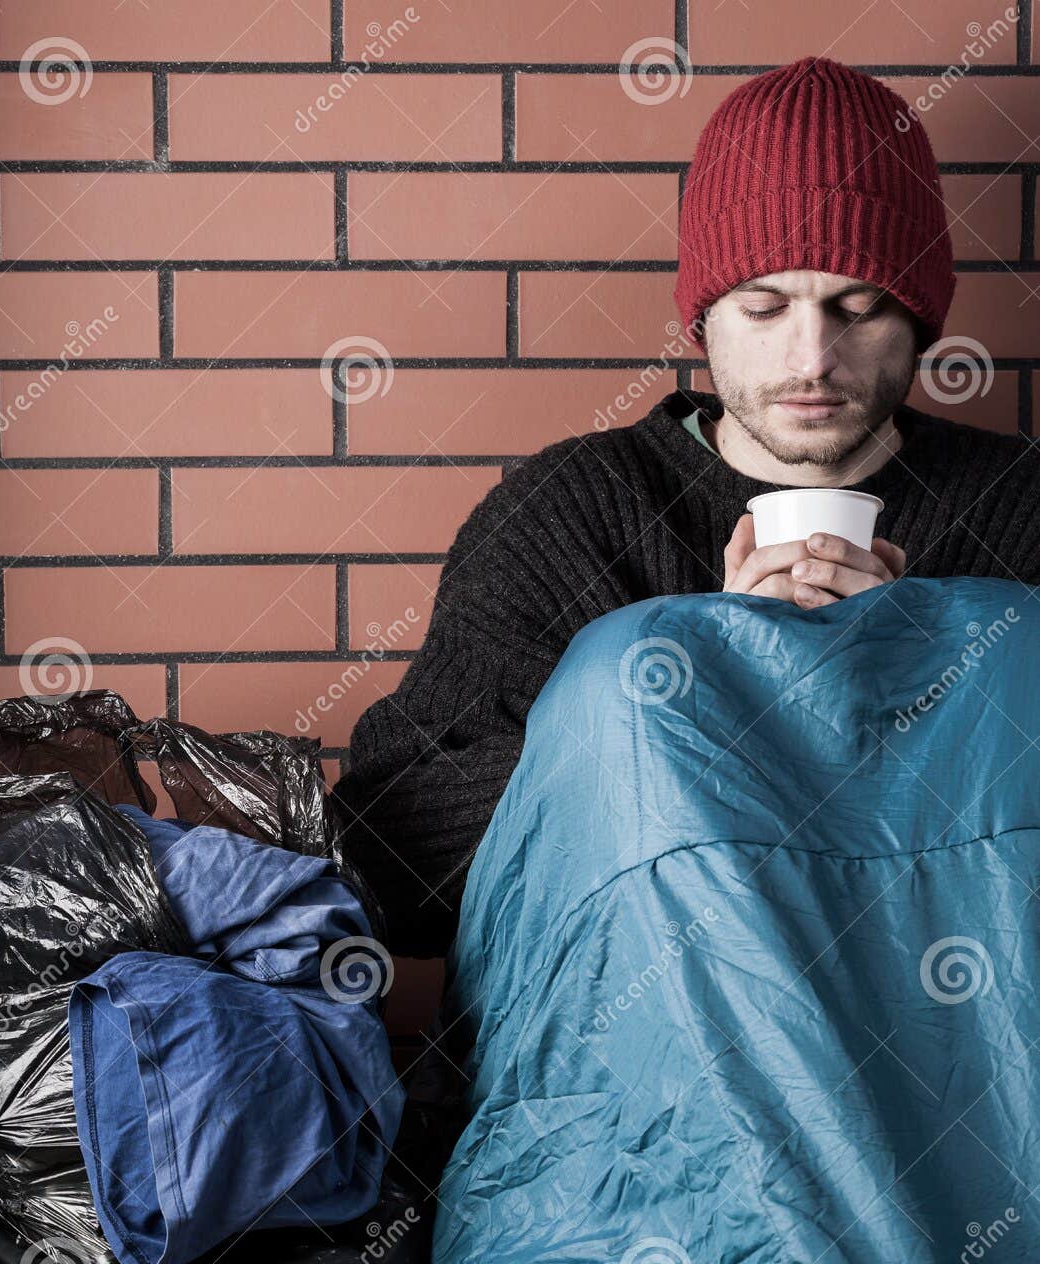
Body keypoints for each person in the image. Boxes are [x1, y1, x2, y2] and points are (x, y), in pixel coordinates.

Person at [333, 54, 1036, 960]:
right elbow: (393, 872)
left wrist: (930, 680)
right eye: (764, 307)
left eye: (857, 308)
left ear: (919, 319)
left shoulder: (1018, 506)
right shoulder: (571, 515)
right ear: (704, 319)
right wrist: (702, 690)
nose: (811, 358)